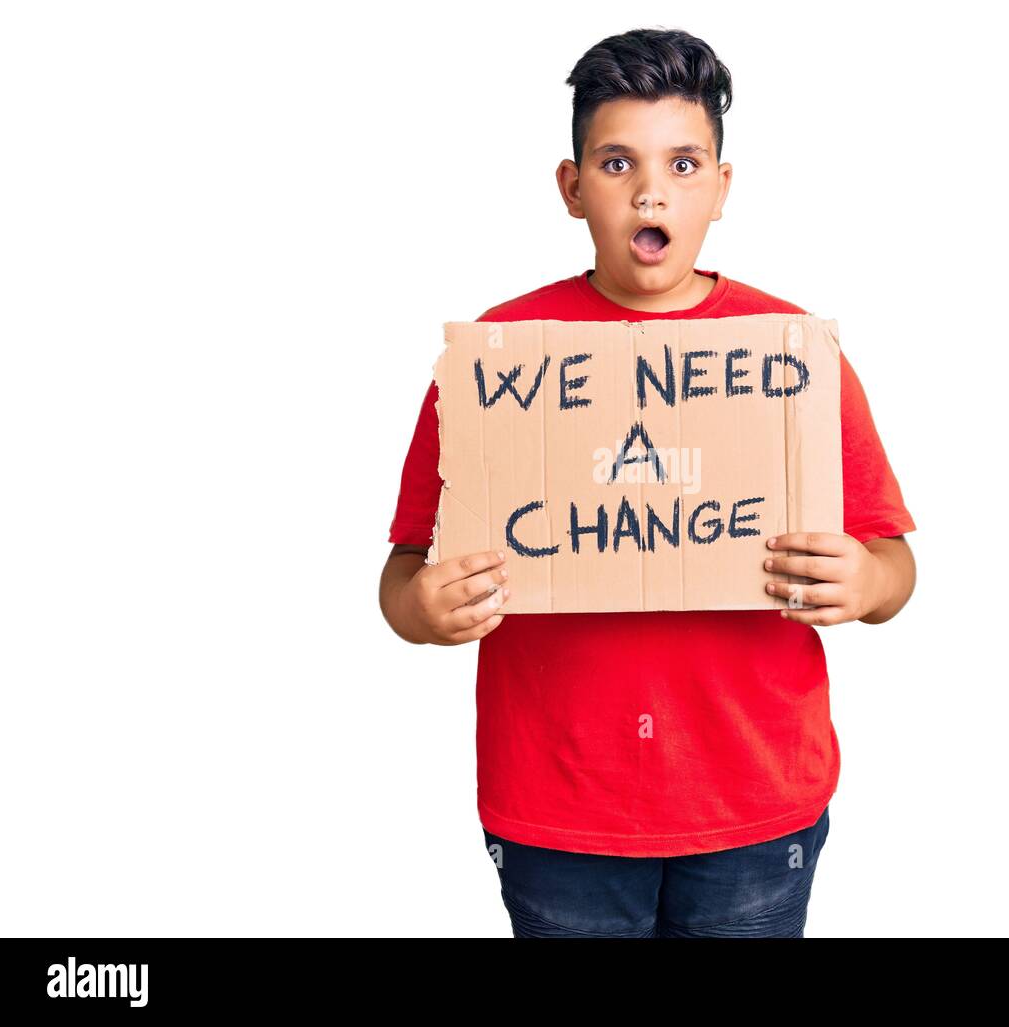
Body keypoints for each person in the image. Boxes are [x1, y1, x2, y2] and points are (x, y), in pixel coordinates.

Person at [378, 27, 917, 938]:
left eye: (683, 162)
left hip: (753, 799)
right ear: (572, 185)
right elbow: (401, 573)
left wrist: (867, 583)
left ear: (722, 186)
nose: (652, 190)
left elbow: (894, 564)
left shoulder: (791, 353)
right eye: (618, 161)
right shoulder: (493, 359)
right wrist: (423, 612)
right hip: (558, 806)